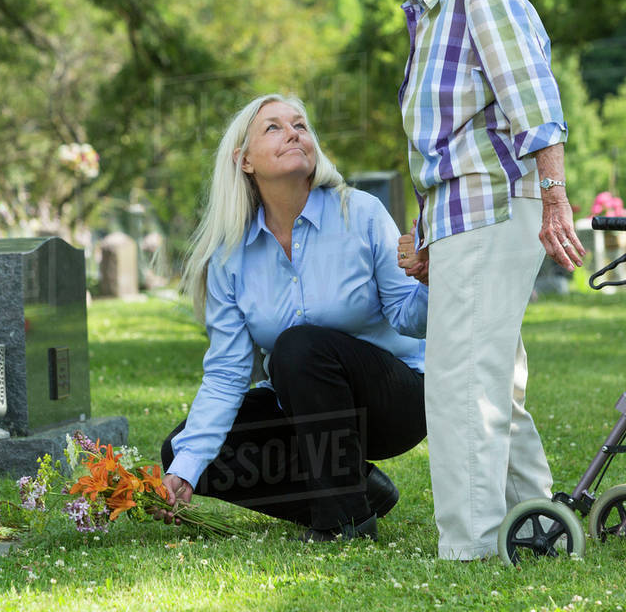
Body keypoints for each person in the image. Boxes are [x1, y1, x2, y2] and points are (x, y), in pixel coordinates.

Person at [345, 0, 586, 560]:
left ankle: (472, 544)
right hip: (462, 215)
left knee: (460, 384)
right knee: (492, 380)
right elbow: (449, 142)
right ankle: (535, 525)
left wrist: (555, 197)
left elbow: (534, 104)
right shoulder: (431, 13)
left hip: (492, 210)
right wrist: (427, 234)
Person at [159, 94, 428, 541]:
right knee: (183, 451)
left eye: (300, 125)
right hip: (304, 410)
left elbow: (409, 318)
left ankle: (344, 521)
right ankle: (360, 489)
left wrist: (429, 281)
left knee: (298, 346)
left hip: (395, 400)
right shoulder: (230, 256)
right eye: (274, 127)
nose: (293, 133)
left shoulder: (360, 213)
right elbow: (228, 373)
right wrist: (186, 468)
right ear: (244, 161)